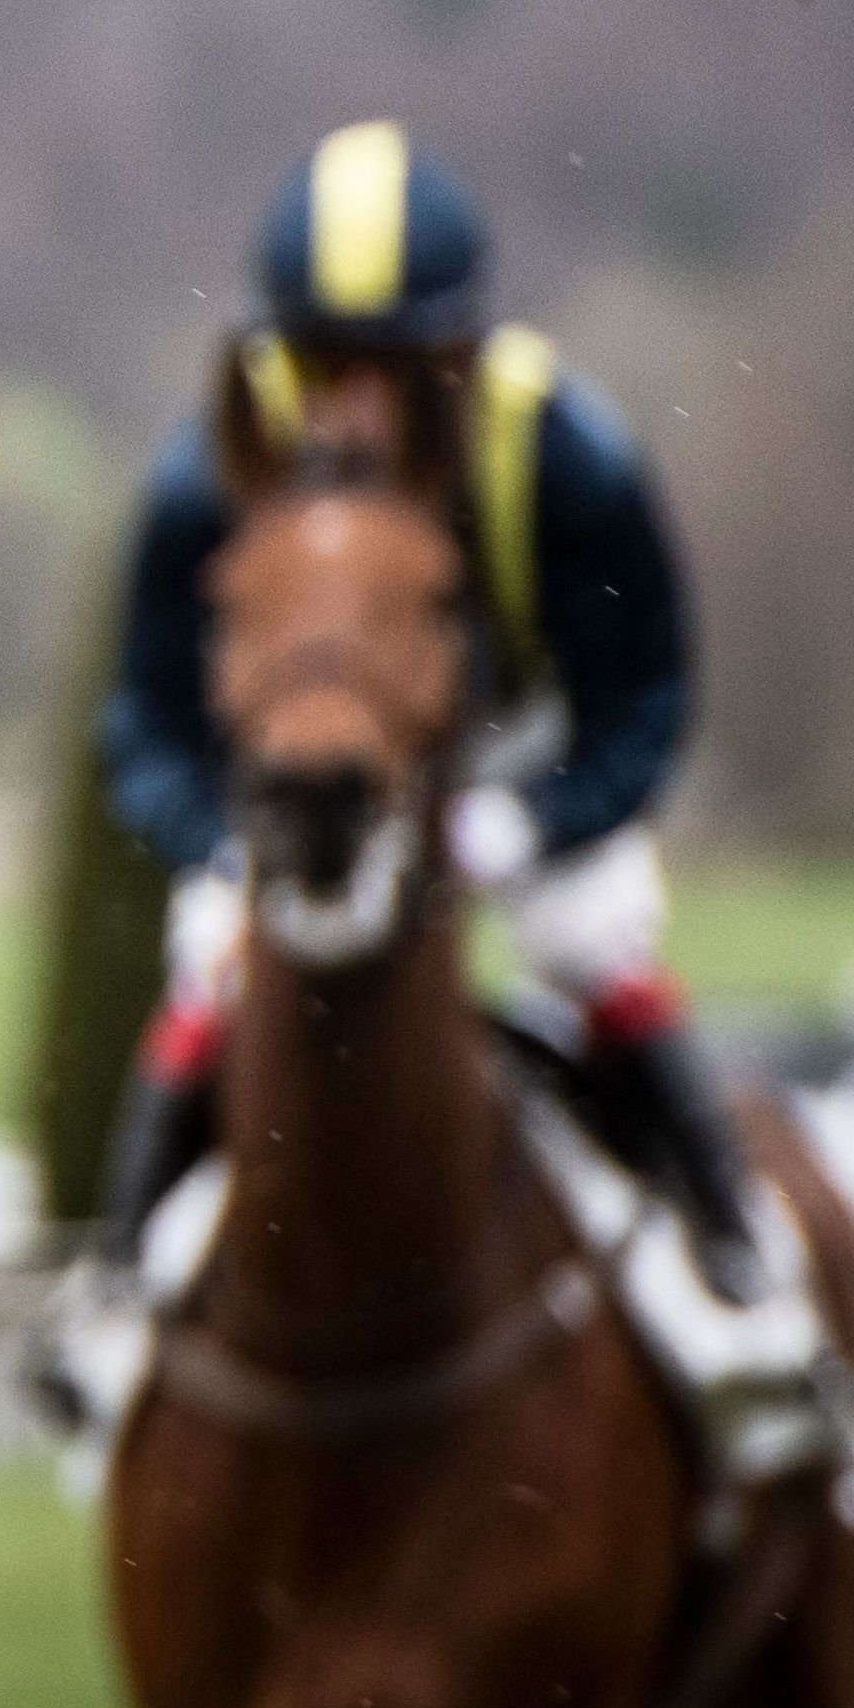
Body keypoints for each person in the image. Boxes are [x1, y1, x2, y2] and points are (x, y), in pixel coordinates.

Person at [72, 120, 757, 1303]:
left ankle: (740, 1253)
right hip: (304, 780)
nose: (357, 407)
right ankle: (112, 1280)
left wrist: (533, 820)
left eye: (392, 367)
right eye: (324, 362)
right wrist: (221, 841)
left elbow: (643, 695)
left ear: (460, 354)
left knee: (589, 937)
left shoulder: (565, 456)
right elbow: (147, 719)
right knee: (211, 959)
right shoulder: (211, 475)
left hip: (522, 748)